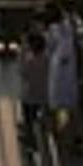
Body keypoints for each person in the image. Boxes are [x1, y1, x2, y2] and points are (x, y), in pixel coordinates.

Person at [45, 2, 83, 146]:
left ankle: (69, 133)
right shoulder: (56, 29)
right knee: (61, 101)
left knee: (66, 102)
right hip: (59, 68)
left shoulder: (70, 25)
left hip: (65, 69)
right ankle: (60, 131)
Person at [14, 18, 52, 154]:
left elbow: (22, 73)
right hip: (43, 94)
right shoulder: (48, 60)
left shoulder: (30, 62)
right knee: (36, 115)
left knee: (28, 119)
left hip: (29, 95)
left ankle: (30, 141)